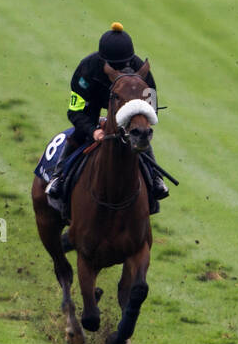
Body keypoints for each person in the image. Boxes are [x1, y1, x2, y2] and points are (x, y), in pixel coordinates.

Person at [45, 22, 168, 211]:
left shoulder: (140, 70)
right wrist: (93, 131)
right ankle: (58, 177)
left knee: (141, 137)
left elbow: (151, 108)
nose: (121, 70)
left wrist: (134, 125)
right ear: (103, 60)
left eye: (125, 65)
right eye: (116, 66)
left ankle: (155, 179)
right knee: (78, 135)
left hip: (127, 107)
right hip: (93, 104)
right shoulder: (86, 71)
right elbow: (75, 112)